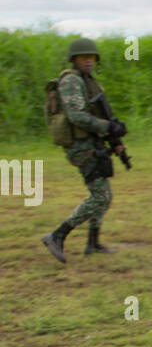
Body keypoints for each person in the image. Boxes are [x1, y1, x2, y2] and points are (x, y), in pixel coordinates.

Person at [42, 38, 122, 262]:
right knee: (100, 195)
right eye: (83, 57)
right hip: (80, 146)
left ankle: (93, 244)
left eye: (91, 57)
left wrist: (114, 139)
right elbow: (76, 115)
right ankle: (57, 235)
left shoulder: (89, 82)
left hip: (92, 142)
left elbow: (98, 114)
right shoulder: (71, 82)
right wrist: (107, 127)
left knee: (104, 196)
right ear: (74, 59)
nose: (88, 61)